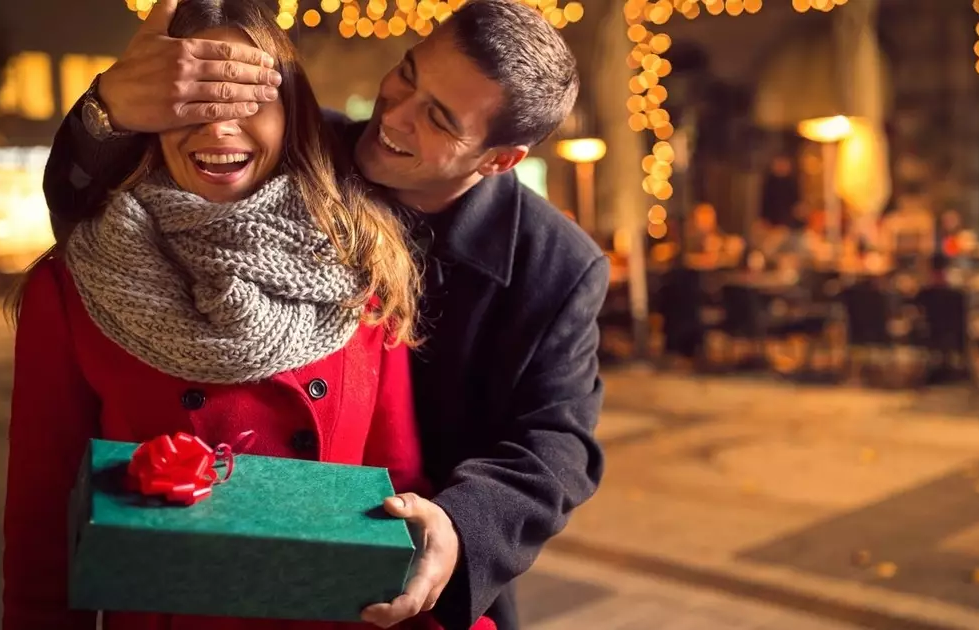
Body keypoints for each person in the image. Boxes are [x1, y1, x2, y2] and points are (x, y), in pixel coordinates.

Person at [39, 1, 609, 629]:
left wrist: (460, 524)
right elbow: (95, 201)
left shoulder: (558, 263)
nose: (392, 114)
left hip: (418, 569)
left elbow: (557, 442)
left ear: (500, 159)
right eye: (408, 74)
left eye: (438, 119)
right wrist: (109, 110)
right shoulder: (307, 145)